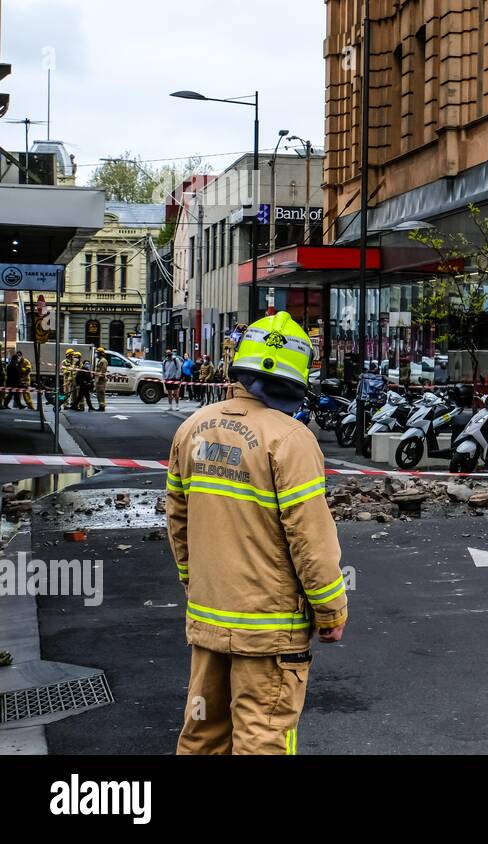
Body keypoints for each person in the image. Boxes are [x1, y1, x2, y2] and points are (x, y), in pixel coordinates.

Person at [167, 311, 348, 755]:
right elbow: (311, 539)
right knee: (263, 737)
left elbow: (178, 520)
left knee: (202, 735)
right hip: (269, 630)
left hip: (209, 617)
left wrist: (195, 581)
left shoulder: (192, 428)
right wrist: (331, 610)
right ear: (295, 376)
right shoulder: (290, 438)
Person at [93, 347, 110, 412]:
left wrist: (99, 377)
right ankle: (100, 406)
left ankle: (102, 407)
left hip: (101, 380)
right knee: (99, 394)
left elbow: (103, 371)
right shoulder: (100, 360)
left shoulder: (103, 361)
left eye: (97, 353)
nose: (96, 354)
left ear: (100, 353)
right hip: (99, 379)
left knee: (101, 393)